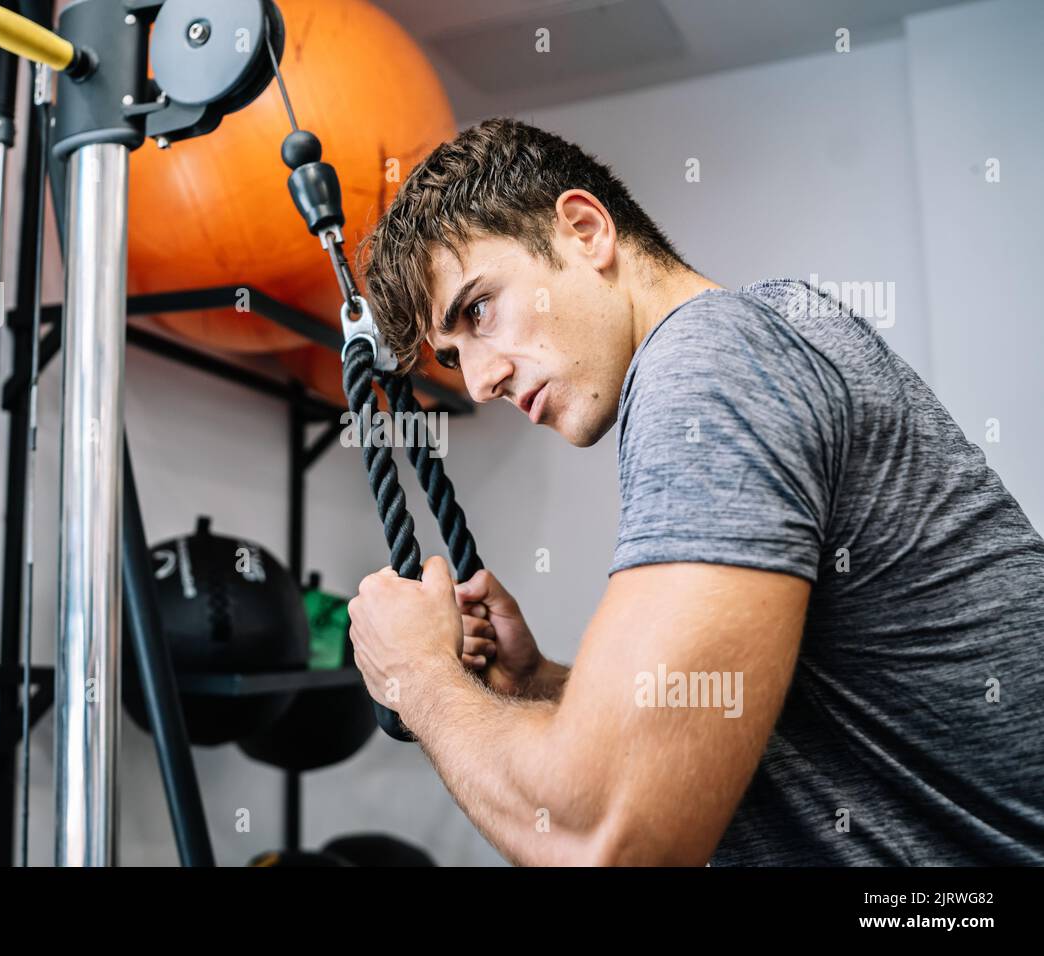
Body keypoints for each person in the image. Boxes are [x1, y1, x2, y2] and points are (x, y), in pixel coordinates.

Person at [344, 117, 1044, 866]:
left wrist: (417, 675)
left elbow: (610, 841)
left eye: (478, 310)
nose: (481, 380)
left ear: (584, 230)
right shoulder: (763, 333)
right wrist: (535, 685)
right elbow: (723, 726)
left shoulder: (709, 363)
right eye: (453, 357)